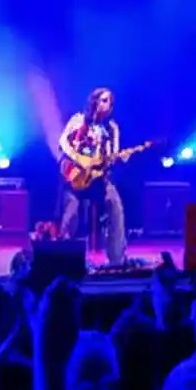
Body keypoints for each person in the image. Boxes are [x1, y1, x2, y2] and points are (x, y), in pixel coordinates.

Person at [59, 88, 127, 265]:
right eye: (98, 99)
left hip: (97, 179)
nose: (101, 104)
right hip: (76, 177)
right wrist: (79, 159)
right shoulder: (78, 119)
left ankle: (116, 260)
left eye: (105, 101)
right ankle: (62, 257)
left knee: (115, 205)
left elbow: (113, 154)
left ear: (110, 106)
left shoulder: (111, 128)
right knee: (71, 211)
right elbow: (63, 142)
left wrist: (115, 158)